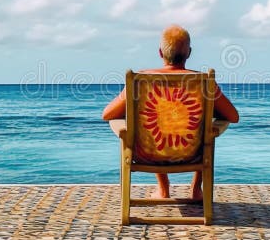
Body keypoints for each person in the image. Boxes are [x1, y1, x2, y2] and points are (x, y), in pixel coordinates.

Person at [102, 24, 239, 200]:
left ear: (160, 52)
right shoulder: (204, 83)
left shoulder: (140, 80)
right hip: (194, 154)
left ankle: (163, 188)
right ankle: (196, 190)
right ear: (189, 53)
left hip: (148, 155)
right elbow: (233, 117)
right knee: (206, 130)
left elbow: (107, 114)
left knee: (156, 122)